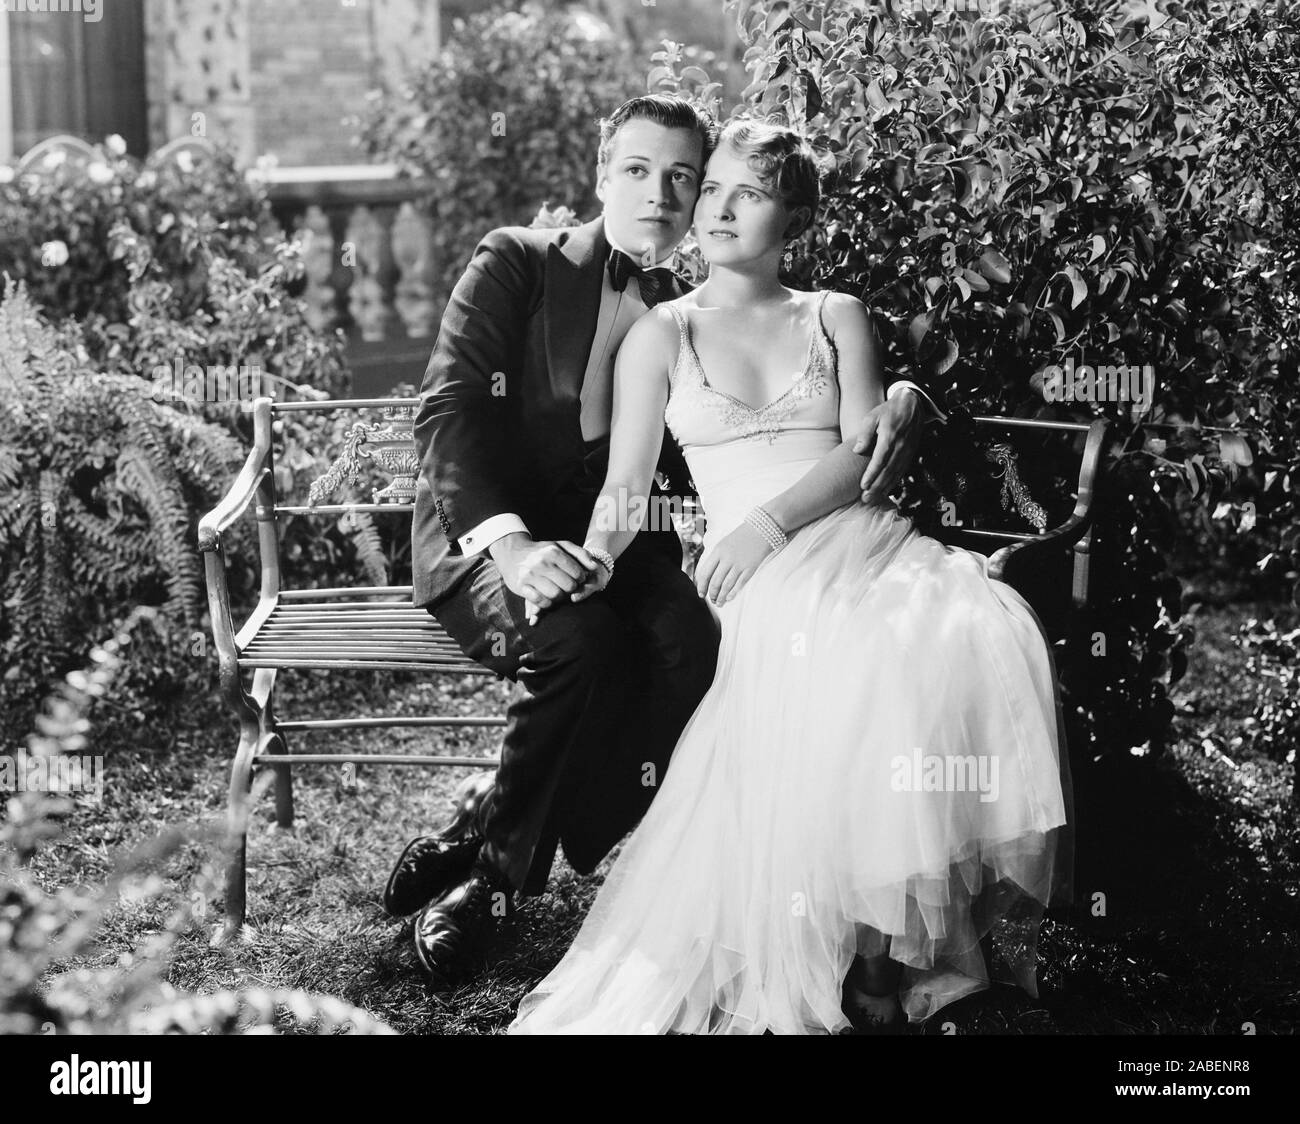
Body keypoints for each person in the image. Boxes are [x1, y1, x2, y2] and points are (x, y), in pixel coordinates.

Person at [508, 117, 1073, 1034]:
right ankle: (844, 954)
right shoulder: (663, 332)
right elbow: (625, 484)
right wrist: (593, 559)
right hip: (755, 577)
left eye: (752, 193)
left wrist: (770, 523)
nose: (721, 208)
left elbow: (862, 455)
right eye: (714, 189)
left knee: (938, 639)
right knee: (841, 659)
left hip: (857, 540)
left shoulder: (833, 314)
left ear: (796, 218)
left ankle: (881, 964)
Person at [393, 96, 938, 984]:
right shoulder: (517, 261)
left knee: (694, 645)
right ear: (603, 173)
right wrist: (516, 547)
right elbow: (449, 414)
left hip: (617, 544)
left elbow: (714, 450)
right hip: (491, 548)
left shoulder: (675, 308)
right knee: (581, 644)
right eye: (639, 170)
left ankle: (501, 809)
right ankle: (491, 883)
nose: (661, 194)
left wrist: (904, 398)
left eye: (683, 177)